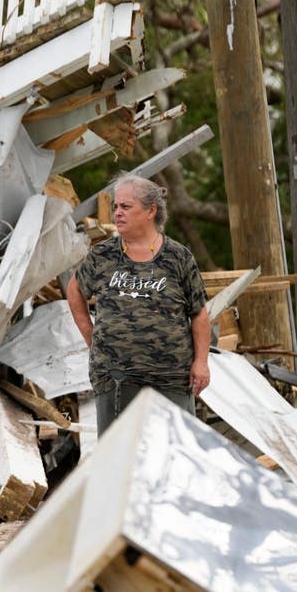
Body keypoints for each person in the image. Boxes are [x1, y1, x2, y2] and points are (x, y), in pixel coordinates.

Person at [66, 175, 210, 433]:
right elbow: (75, 290)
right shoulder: (102, 255)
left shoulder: (179, 257)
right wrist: (92, 336)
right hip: (116, 381)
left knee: (172, 458)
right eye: (116, 207)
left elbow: (199, 313)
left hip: (170, 380)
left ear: (150, 211)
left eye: (126, 207)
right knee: (119, 461)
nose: (117, 213)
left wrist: (201, 362)